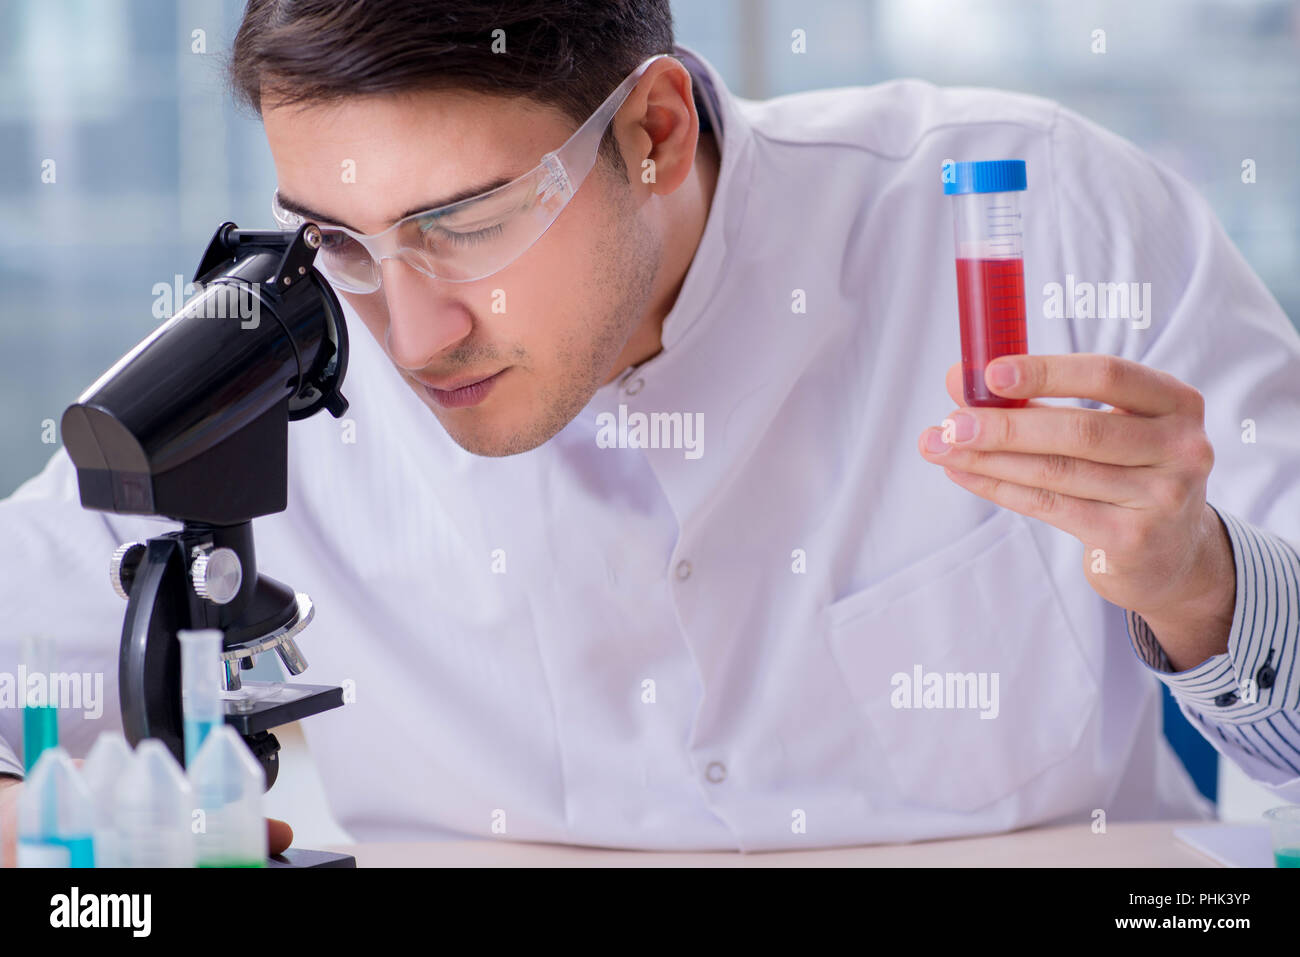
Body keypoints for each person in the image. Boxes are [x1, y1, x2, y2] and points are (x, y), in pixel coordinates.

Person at [2, 0, 1298, 862]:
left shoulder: (1037, 221)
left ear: (654, 131)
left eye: (464, 224)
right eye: (342, 236)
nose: (414, 329)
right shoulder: (274, 352)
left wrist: (1202, 585)